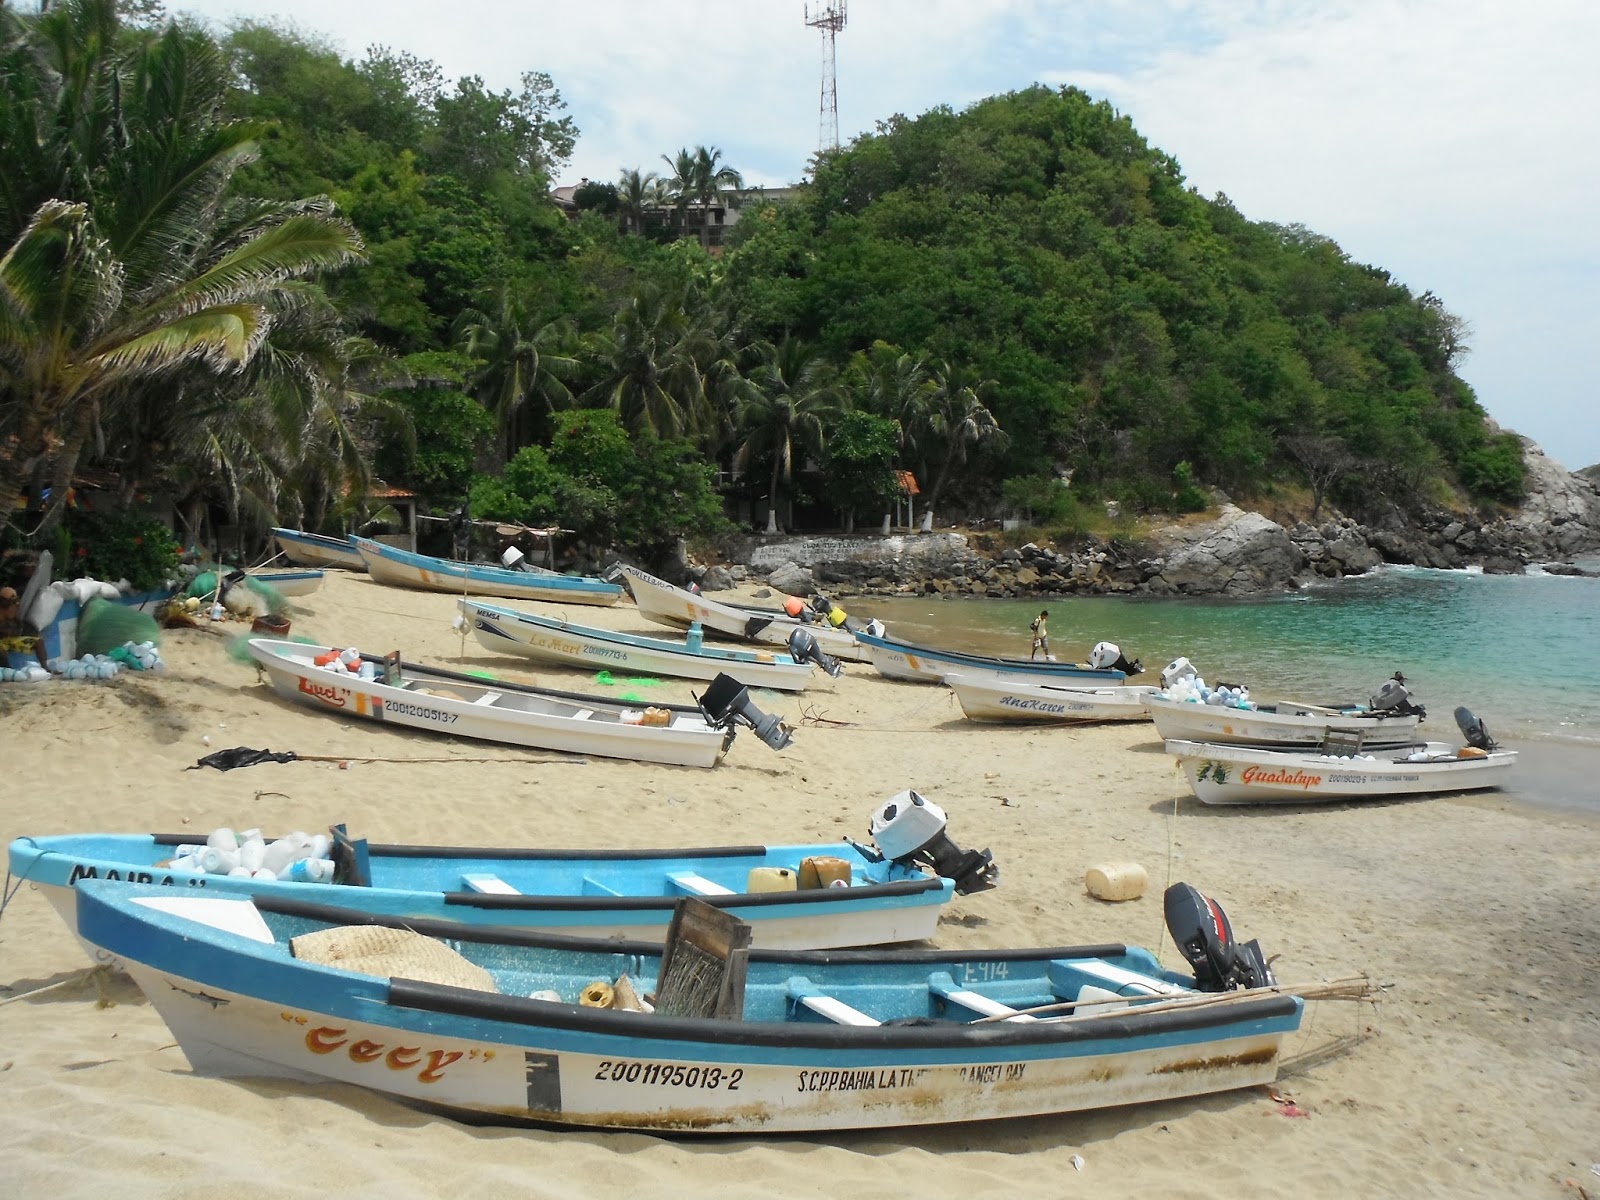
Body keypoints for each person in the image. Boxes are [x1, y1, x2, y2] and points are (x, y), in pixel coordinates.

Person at [0, 585, 48, 668]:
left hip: (9, 640)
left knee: (39, 642)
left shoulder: (12, 618)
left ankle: (46, 668)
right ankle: (8, 670)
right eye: (13, 605)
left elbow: (18, 628)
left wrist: (12, 631)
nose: (16, 609)